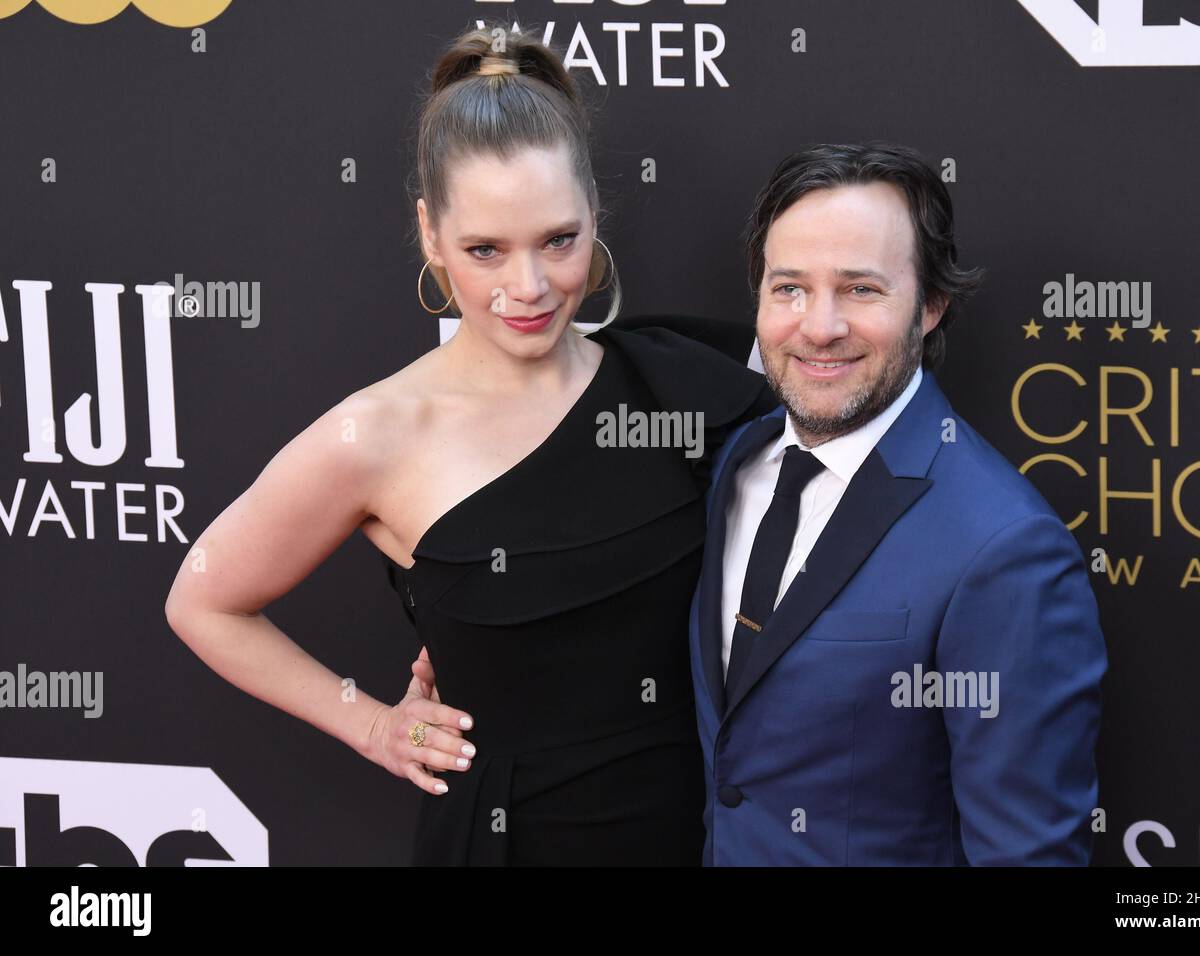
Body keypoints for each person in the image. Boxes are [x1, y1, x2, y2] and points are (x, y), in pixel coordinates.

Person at [164, 26, 775, 865]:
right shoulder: (375, 435)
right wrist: (373, 723)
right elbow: (202, 600)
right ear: (429, 234)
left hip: (702, 829)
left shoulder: (683, 379)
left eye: (558, 240)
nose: (527, 287)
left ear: (594, 215)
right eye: (485, 250)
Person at [684, 142, 1108, 865]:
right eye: (789, 288)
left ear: (931, 304)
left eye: (861, 290)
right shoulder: (736, 460)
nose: (819, 327)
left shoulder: (1004, 549)